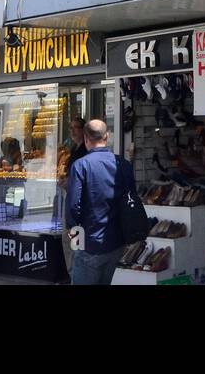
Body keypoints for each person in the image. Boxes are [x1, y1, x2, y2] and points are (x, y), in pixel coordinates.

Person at [66, 119, 133, 285]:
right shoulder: (123, 164)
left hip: (90, 241)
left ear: (86, 138)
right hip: (116, 242)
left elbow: (74, 206)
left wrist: (76, 240)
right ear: (107, 136)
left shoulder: (80, 165)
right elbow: (132, 200)